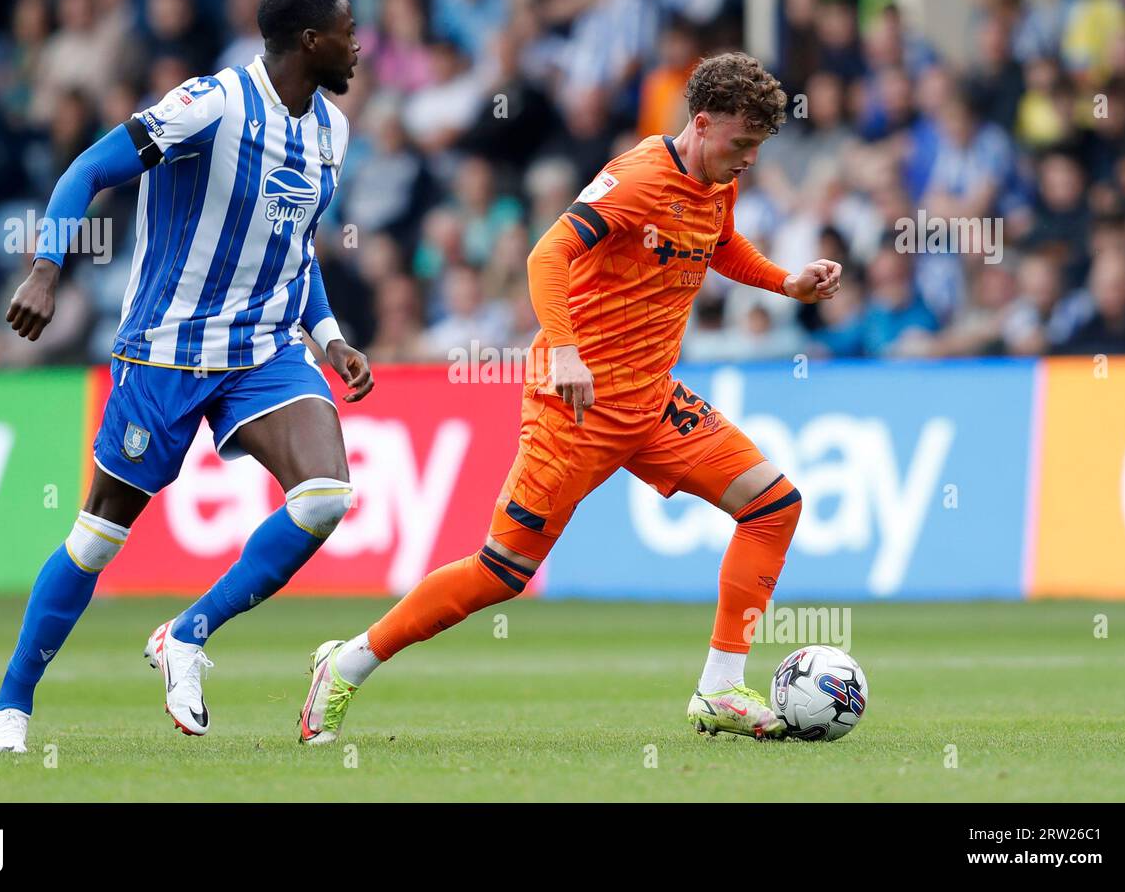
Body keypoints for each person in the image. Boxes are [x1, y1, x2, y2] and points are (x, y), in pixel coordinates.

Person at [298, 52, 843, 743]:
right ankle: (348, 661)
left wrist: (784, 282)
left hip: (651, 402)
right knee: (501, 573)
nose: (748, 162)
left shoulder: (715, 181)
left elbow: (720, 243)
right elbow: (545, 256)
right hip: (575, 408)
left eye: (757, 150)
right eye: (740, 146)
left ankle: (720, 688)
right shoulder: (637, 180)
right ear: (702, 125)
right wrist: (563, 348)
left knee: (773, 506)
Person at [0, 0, 372, 754]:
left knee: (326, 494)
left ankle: (187, 635)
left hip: (262, 349)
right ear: (308, 42)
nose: (359, 46)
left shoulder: (333, 131)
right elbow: (86, 169)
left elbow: (296, 249)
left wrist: (328, 337)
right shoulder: (213, 104)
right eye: (348, 32)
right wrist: (47, 266)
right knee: (96, 540)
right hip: (166, 351)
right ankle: (10, 705)